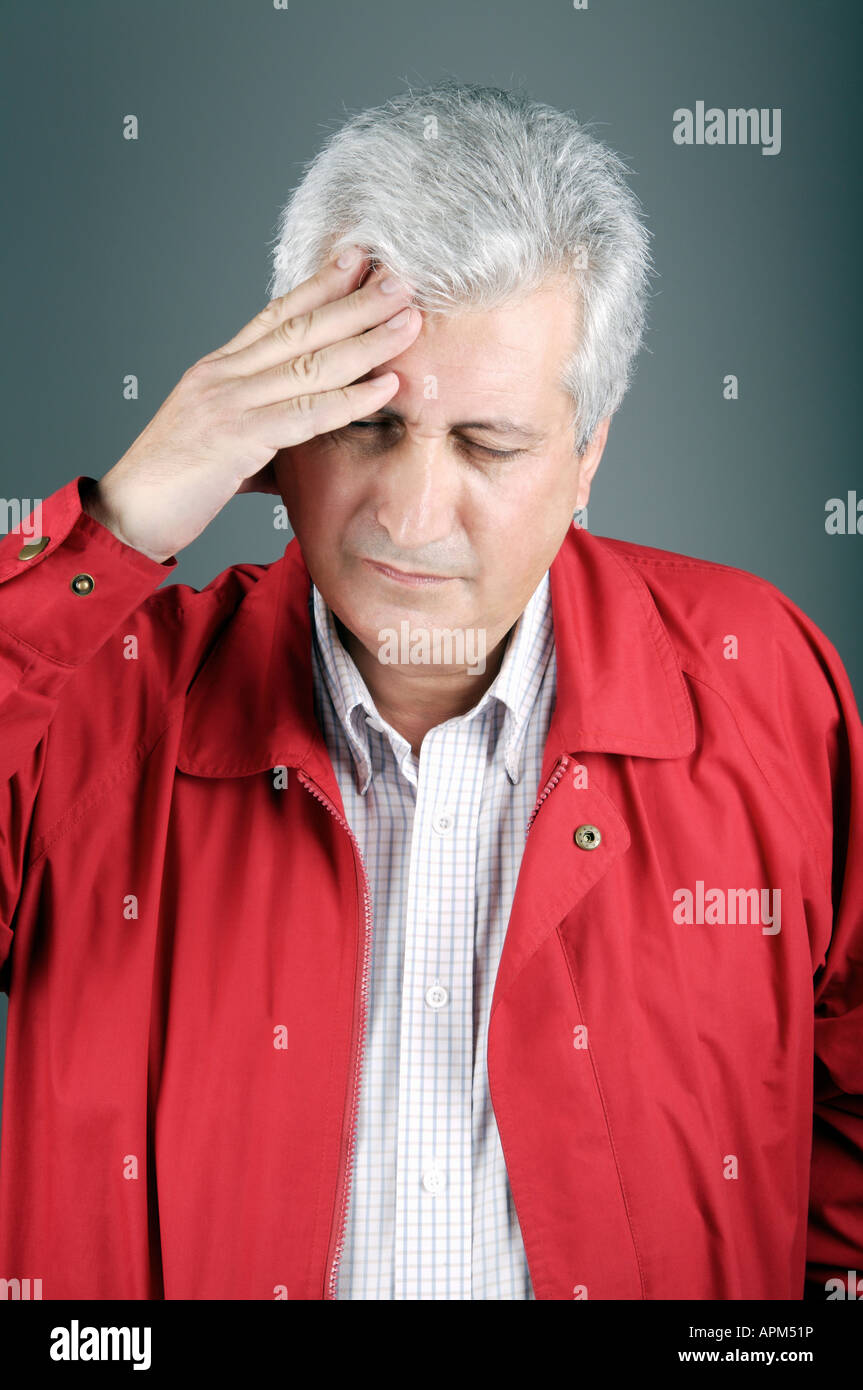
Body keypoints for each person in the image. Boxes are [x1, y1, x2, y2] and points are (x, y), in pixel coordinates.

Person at [0, 79, 860, 1302]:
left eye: (487, 446)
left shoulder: (761, 682)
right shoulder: (94, 697)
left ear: (587, 454)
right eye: (366, 425)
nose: (408, 517)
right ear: (274, 419)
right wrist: (120, 527)